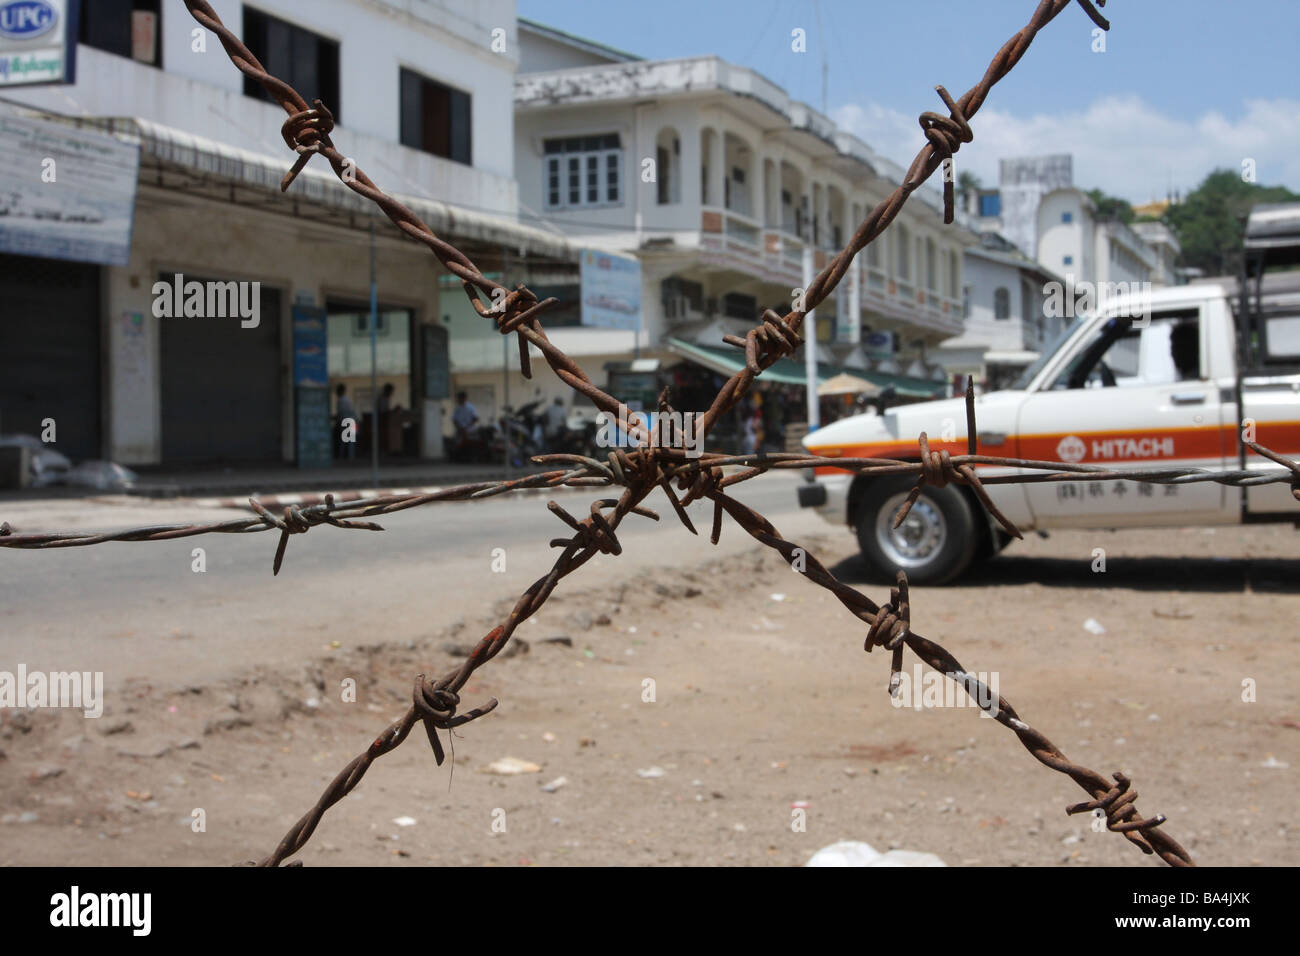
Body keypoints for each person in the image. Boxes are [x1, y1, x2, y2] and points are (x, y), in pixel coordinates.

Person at [335, 383, 357, 460]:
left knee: (344, 440)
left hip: (345, 420)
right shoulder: (347, 399)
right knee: (350, 441)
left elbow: (341, 413)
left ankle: (343, 456)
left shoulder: (341, 400)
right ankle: (350, 457)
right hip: (350, 420)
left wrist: (338, 421)